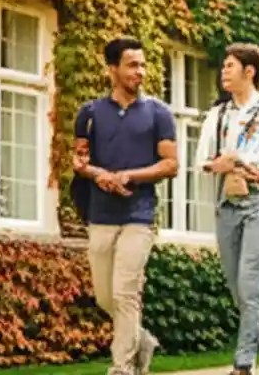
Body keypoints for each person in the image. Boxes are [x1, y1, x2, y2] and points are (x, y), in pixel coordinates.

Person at [74, 37, 178, 375]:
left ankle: (122, 367)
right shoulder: (89, 113)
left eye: (143, 65)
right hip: (100, 216)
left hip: (139, 216)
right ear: (112, 69)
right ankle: (142, 340)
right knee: (106, 297)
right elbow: (79, 160)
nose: (141, 72)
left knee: (126, 292)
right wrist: (99, 174)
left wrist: (128, 176)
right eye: (133, 65)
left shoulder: (158, 113)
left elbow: (170, 164)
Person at [196, 43, 259, 375]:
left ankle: (243, 365)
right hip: (228, 206)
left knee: (250, 285)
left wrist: (233, 160)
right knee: (238, 288)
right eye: (223, 66)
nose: (223, 71)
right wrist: (227, 162)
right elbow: (203, 161)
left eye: (229, 66)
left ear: (249, 72)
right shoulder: (218, 114)